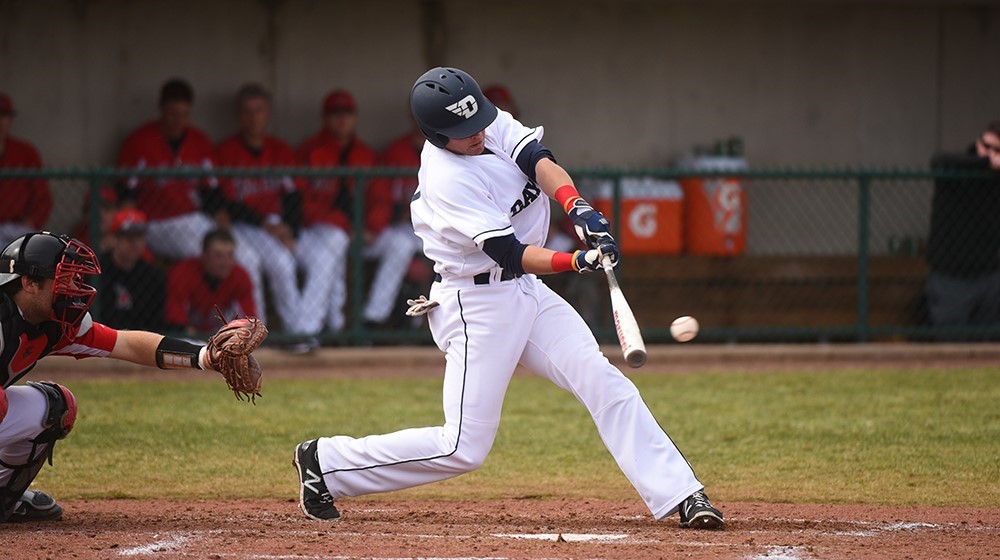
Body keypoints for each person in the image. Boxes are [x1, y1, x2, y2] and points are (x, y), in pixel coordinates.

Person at [292, 67, 724, 530]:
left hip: (525, 293)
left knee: (602, 380)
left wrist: (577, 207)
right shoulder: (446, 178)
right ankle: (327, 463)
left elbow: (538, 158)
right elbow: (510, 253)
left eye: (479, 122)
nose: (477, 134)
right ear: (437, 135)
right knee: (462, 447)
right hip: (476, 305)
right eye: (463, 132)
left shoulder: (483, 120)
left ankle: (683, 494)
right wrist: (577, 261)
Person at [0, 231, 265, 522]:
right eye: (64, 278)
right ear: (29, 283)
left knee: (56, 408)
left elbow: (127, 344)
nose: (74, 287)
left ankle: (5, 500)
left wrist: (205, 358)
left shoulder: (54, 322)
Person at [215, 83, 303, 333]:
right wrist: (268, 226)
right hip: (241, 226)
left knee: (283, 265)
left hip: (271, 225)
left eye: (259, 110)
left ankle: (297, 332)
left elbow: (293, 195)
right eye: (247, 111)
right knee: (249, 264)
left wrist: (290, 229)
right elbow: (228, 204)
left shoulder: (280, 150)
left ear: (268, 113)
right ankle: (253, 333)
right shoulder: (226, 151)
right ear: (238, 115)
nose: (254, 117)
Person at [117, 79, 219, 260]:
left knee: (242, 255)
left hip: (195, 219)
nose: (178, 121)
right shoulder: (139, 141)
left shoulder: (200, 141)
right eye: (173, 113)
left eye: (184, 114)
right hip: (156, 224)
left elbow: (212, 192)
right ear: (161, 108)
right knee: (202, 254)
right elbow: (126, 194)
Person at [925, 120, 1000, 336]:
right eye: (986, 146)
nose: (989, 154)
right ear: (978, 142)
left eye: (997, 151)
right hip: (951, 276)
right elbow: (938, 160)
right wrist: (986, 164)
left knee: (989, 343)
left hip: (988, 274)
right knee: (951, 340)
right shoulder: (957, 167)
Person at [165, 229, 256, 335]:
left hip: (221, 338)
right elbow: (176, 322)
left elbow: (249, 323)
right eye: (218, 255)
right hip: (190, 339)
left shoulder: (239, 276)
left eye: (230, 255)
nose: (225, 263)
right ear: (204, 256)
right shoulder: (183, 273)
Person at [95, 209, 165, 331]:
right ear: (115, 238)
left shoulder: (152, 276)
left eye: (138, 237)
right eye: (128, 237)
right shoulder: (97, 269)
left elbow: (154, 323)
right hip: (102, 337)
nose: (134, 243)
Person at [0, 92, 53, 246]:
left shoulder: (25, 152)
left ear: (10, 120)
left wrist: (32, 222)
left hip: (18, 227)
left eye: (4, 115)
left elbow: (43, 197)